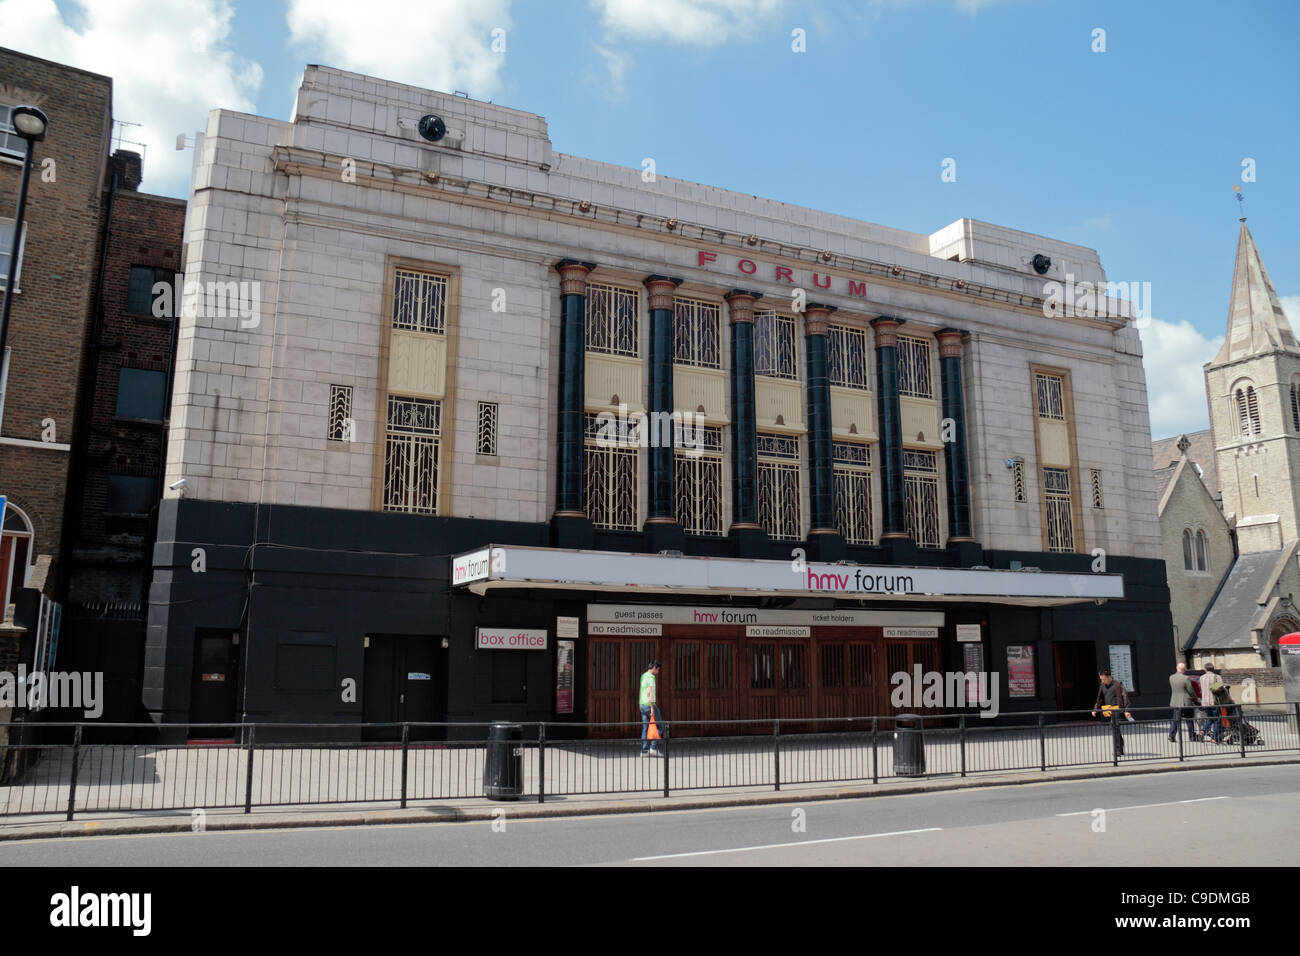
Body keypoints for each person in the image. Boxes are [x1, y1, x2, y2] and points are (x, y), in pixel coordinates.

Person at [1091, 669, 1132, 757]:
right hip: (1108, 711)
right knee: (1115, 729)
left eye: (1104, 679)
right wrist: (1095, 709)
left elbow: (1125, 697)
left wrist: (1127, 710)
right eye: (1101, 679)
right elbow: (1099, 699)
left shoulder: (1118, 684)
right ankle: (1120, 747)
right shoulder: (1102, 686)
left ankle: (1117, 750)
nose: (1102, 681)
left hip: (1117, 710)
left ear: (1109, 677)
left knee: (1115, 729)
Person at [1168, 662, 1203, 742]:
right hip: (1185, 702)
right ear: (1184, 670)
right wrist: (1196, 698)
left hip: (1175, 701)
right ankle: (1191, 737)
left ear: (1177, 668)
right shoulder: (1186, 678)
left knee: (1175, 719)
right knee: (1189, 720)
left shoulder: (1171, 677)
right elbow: (1190, 690)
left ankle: (1171, 735)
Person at [639, 660, 663, 756]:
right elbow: (650, 692)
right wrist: (652, 707)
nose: (658, 672)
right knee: (660, 726)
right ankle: (653, 748)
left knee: (645, 728)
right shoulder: (651, 677)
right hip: (649, 705)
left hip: (641, 704)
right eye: (658, 670)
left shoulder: (643, 676)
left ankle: (644, 751)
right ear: (654, 668)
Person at [1199, 664, 1223, 743]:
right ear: (1213, 669)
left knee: (1209, 717)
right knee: (1217, 720)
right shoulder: (1217, 677)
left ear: (1205, 669)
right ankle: (1215, 738)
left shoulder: (1201, 678)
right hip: (1214, 702)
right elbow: (1220, 689)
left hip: (1205, 702)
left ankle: (1203, 730)